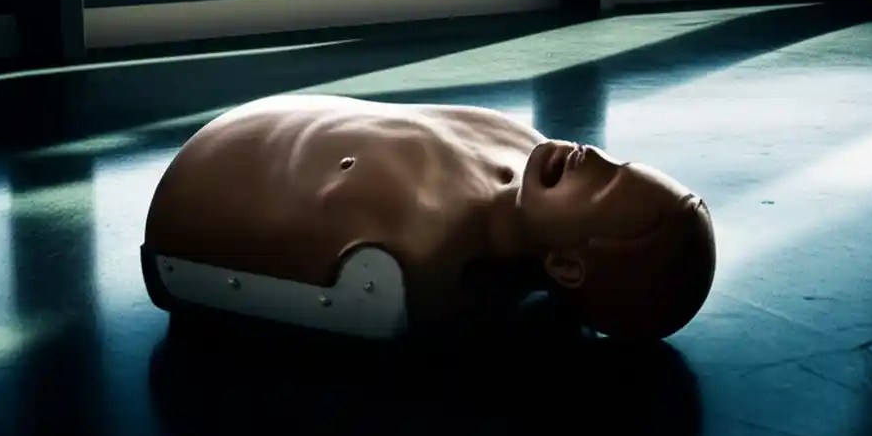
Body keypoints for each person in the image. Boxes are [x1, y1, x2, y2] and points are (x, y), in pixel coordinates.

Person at [144, 94, 716, 340]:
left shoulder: (427, 264)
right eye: (617, 162)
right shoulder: (520, 139)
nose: (591, 156)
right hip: (238, 135)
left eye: (604, 184)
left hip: (196, 189)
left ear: (566, 267)